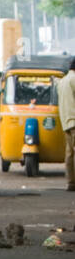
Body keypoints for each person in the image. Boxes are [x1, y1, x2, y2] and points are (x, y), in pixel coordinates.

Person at [60, 56, 75, 191]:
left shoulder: (62, 81)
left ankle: (71, 182)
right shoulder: (74, 80)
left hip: (66, 121)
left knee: (70, 153)